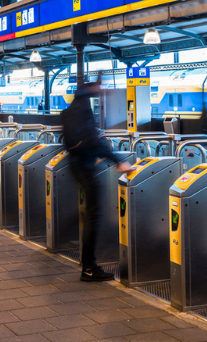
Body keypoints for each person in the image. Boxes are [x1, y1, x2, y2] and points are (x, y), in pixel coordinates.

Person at [60, 77, 132, 282]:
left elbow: (69, 141)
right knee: (94, 214)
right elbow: (93, 140)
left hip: (76, 163)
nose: (102, 90)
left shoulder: (71, 108)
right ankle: (89, 268)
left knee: (90, 212)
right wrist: (117, 160)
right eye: (100, 87)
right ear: (91, 88)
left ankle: (85, 260)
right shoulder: (84, 109)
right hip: (84, 166)